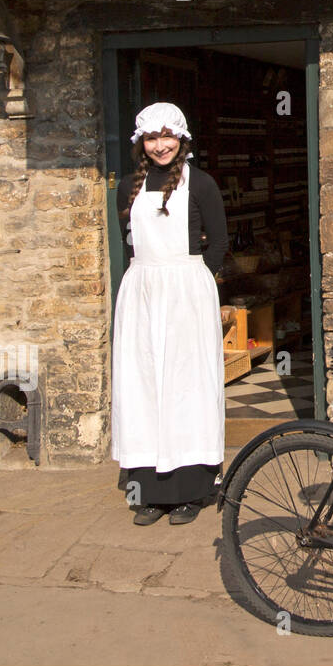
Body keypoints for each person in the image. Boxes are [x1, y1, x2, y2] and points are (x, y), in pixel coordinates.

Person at [112, 102, 228, 525]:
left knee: (187, 386)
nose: (161, 145)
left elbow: (218, 242)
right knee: (144, 384)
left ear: (181, 139)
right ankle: (148, 491)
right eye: (152, 137)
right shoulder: (127, 185)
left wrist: (196, 284)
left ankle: (191, 490)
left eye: (168, 136)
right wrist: (146, 284)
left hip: (186, 291)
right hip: (143, 289)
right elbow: (130, 244)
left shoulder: (202, 184)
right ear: (141, 142)